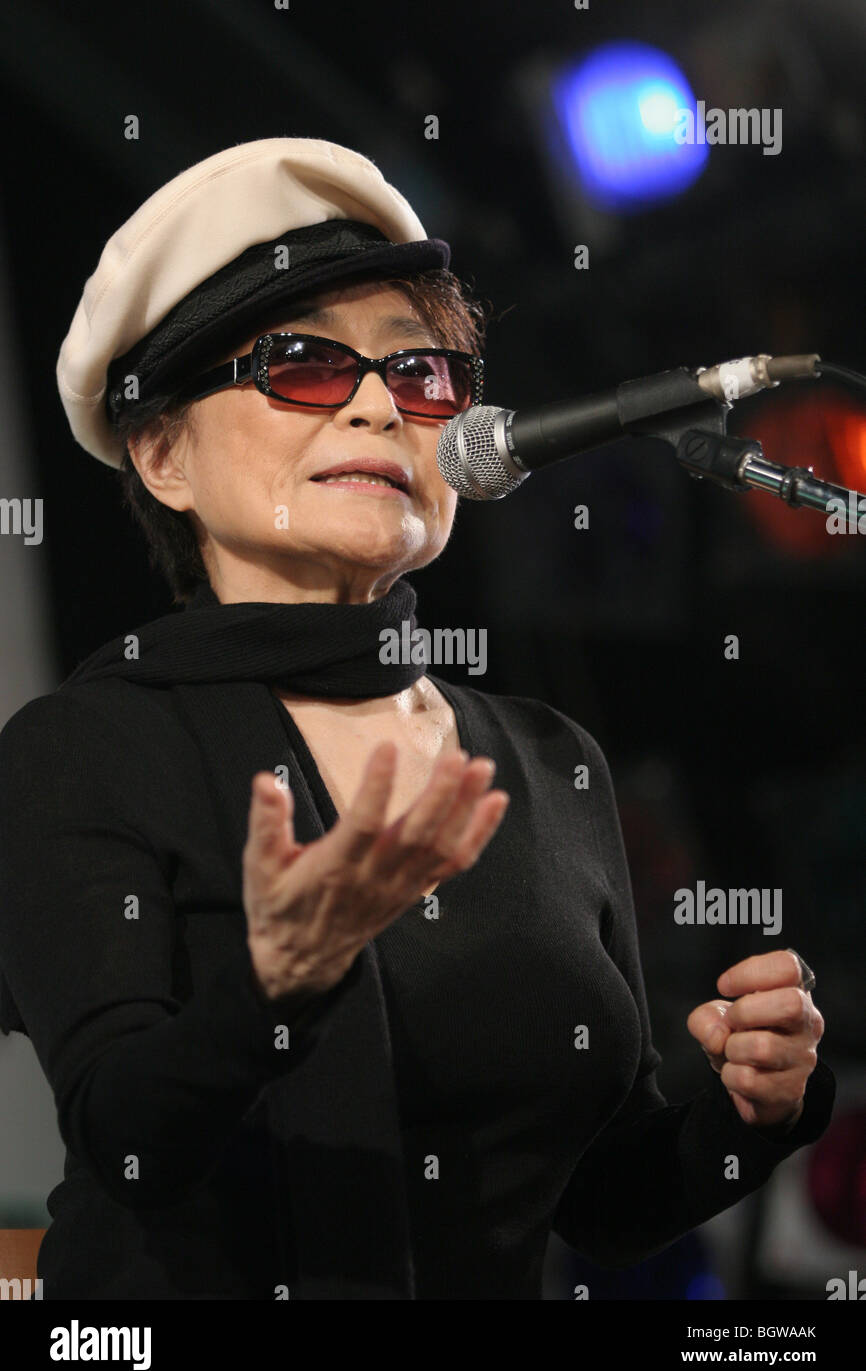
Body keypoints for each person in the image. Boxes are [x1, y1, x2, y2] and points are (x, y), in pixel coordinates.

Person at [0, 137, 834, 1300]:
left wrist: (758, 1105)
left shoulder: (549, 762)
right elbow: (127, 1138)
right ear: (162, 450)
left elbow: (605, 1202)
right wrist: (276, 982)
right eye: (300, 365)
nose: (379, 408)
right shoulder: (86, 748)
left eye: (421, 374)